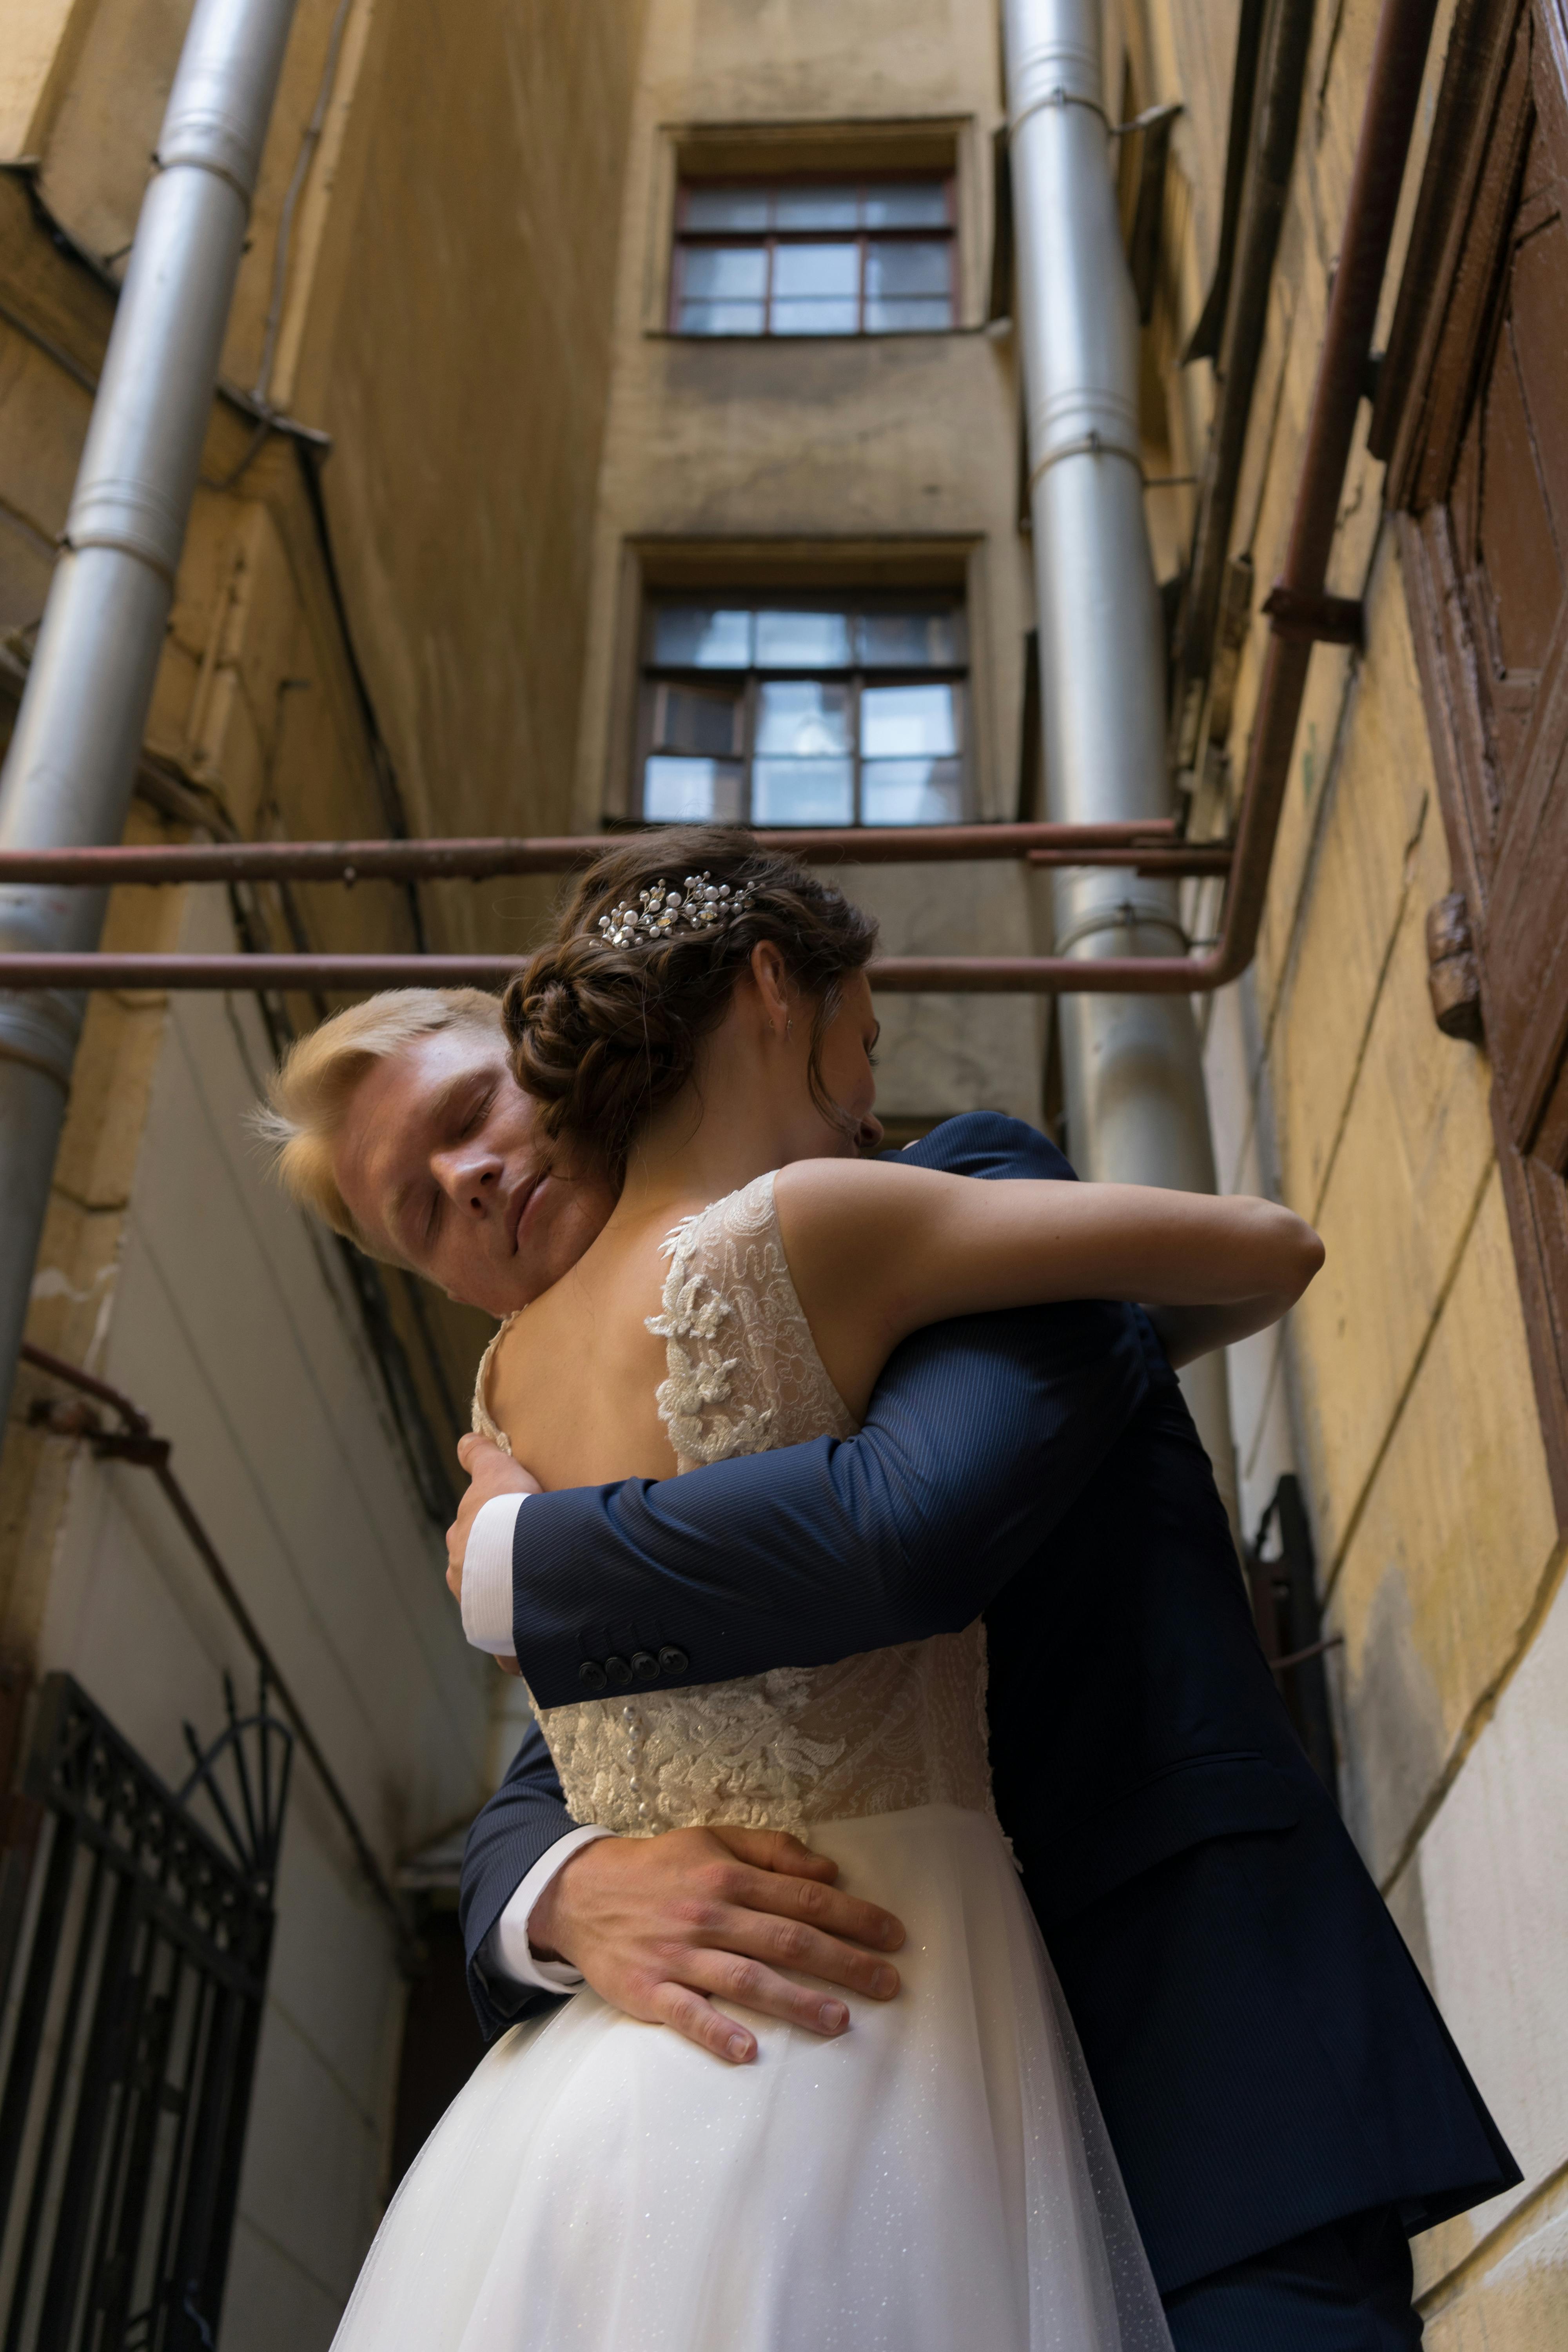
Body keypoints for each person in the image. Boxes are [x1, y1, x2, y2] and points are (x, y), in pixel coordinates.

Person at [257, 835, 1518, 2350]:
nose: (470, 1179)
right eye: (420, 1208)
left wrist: (537, 1559)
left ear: (564, 1057)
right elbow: (567, 1763)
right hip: (788, 2090)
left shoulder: (954, 1194)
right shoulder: (529, 1417)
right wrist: (562, 1895)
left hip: (1184, 2052)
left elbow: (907, 1531)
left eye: (473, 1111)